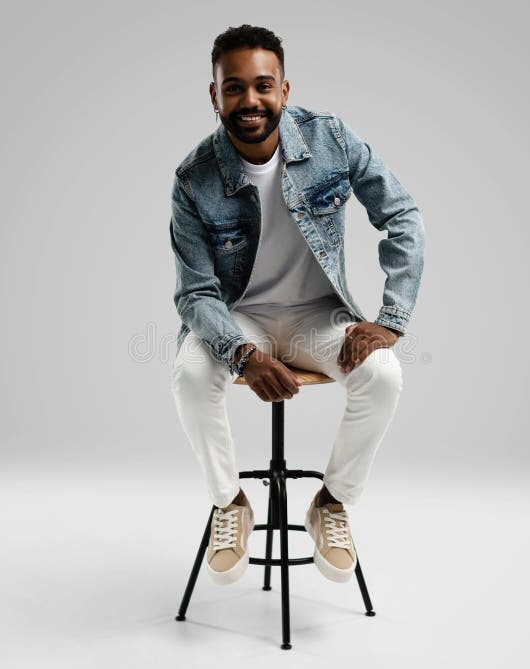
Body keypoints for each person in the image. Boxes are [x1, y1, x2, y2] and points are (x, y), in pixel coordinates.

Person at [169, 24, 425, 586]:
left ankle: (331, 503)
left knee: (382, 374)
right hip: (238, 318)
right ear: (214, 95)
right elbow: (196, 293)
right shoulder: (194, 178)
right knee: (190, 375)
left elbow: (402, 215)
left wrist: (391, 321)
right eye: (234, 87)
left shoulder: (330, 138)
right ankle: (230, 503)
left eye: (263, 85)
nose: (250, 100)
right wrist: (241, 353)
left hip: (318, 316)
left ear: (284, 89)